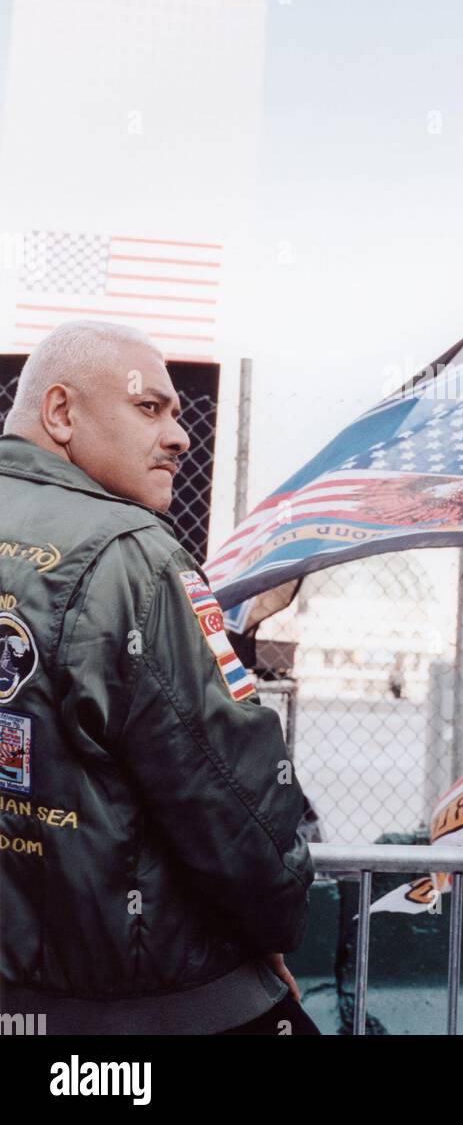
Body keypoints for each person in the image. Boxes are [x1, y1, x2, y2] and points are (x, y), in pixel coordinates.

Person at [0, 320, 315, 1034]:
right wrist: (274, 926)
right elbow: (227, 795)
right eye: (150, 408)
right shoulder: (133, 556)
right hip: (140, 1006)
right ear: (60, 412)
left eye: (177, 412)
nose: (179, 436)